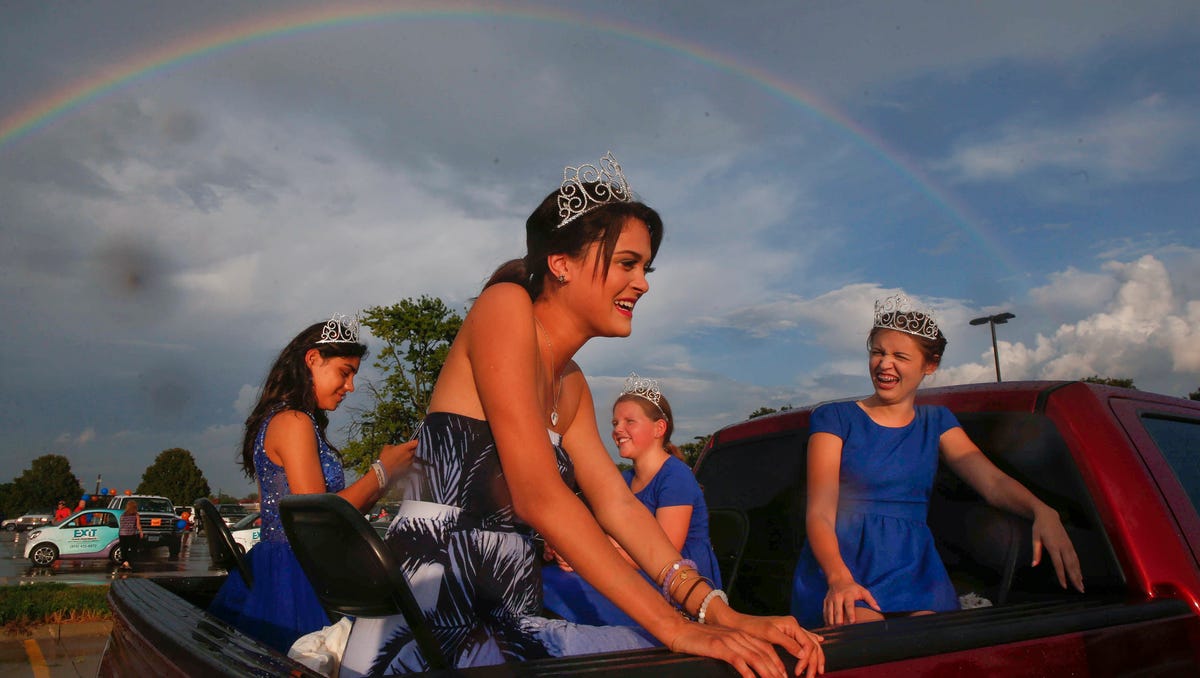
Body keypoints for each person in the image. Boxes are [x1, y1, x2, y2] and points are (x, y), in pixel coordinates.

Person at [341, 153, 823, 678]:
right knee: (660, 654)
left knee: (669, 658)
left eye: (646, 268)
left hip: (508, 601)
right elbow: (539, 495)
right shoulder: (503, 308)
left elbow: (618, 505)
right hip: (434, 603)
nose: (643, 284)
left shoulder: (573, 385)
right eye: (627, 263)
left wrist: (719, 612)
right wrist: (676, 627)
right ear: (561, 262)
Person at [791, 294, 1085, 628]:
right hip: (843, 565)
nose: (885, 364)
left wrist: (1041, 510)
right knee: (868, 640)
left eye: (900, 356)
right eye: (878, 352)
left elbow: (992, 482)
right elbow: (819, 512)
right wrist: (838, 577)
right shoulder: (835, 418)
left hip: (914, 569)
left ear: (929, 366)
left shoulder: (937, 422)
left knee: (931, 648)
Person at [207, 314, 416, 653]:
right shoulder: (293, 421)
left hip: (283, 564)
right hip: (296, 575)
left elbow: (331, 510)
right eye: (344, 373)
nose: (350, 387)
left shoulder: (285, 418)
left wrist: (384, 477)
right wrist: (381, 471)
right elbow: (317, 519)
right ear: (313, 360)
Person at [542, 373, 723, 628]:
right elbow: (605, 535)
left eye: (629, 421)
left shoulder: (676, 476)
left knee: (559, 588)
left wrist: (582, 558)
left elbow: (663, 553)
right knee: (548, 578)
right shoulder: (623, 480)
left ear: (659, 428)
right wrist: (565, 548)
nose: (617, 429)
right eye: (615, 422)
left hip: (674, 584)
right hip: (635, 570)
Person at [118, 500, 142, 571]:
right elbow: (138, 525)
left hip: (122, 534)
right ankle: (130, 564)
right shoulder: (136, 515)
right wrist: (141, 532)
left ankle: (124, 563)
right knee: (133, 550)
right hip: (131, 534)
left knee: (124, 549)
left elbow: (121, 524)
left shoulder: (123, 514)